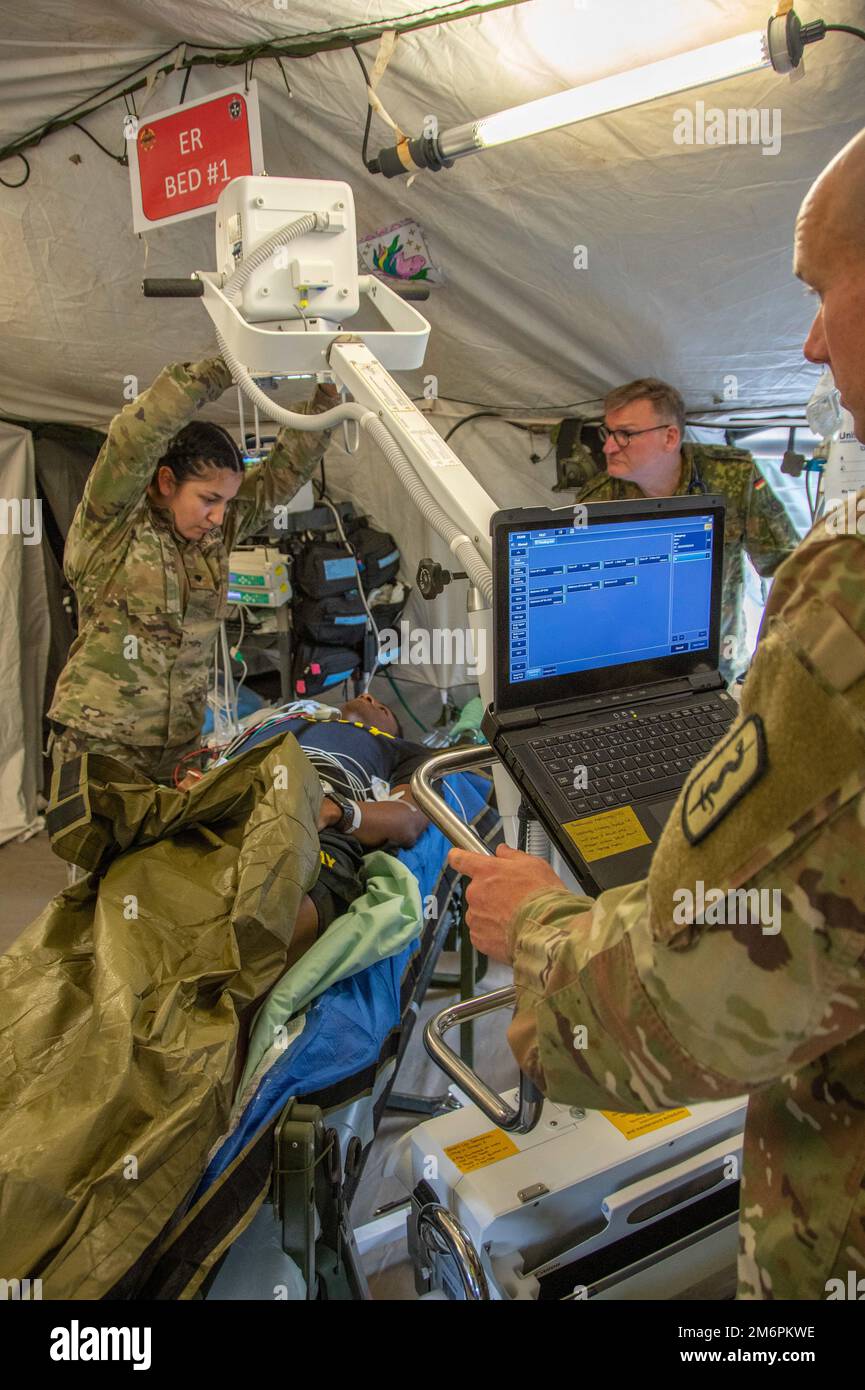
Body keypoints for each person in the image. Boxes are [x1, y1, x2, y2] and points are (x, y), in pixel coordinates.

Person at [449, 127, 865, 1301]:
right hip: (654, 712)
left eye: (824, 290)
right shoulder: (587, 515)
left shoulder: (828, 573)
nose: (809, 340)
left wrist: (535, 930)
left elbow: (698, 1001)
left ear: (671, 439)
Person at [47, 357, 336, 786]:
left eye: (226, 503)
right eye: (208, 499)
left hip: (180, 748)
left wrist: (328, 397)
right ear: (166, 481)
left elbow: (282, 474)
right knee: (104, 855)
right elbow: (135, 437)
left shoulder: (212, 537)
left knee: (171, 855)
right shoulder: (112, 527)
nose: (219, 517)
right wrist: (227, 366)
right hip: (102, 744)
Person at [568, 378, 800, 684]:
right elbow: (580, 600)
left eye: (624, 434)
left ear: (670, 437)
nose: (608, 447)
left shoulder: (733, 477)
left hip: (714, 671)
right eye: (607, 432)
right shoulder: (596, 501)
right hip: (627, 674)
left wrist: (773, 651)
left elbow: (789, 569)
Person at [218, 690, 432, 968]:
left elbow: (409, 819)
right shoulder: (276, 723)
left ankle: (220, 988)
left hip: (313, 821)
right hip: (229, 801)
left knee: (265, 922)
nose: (367, 696)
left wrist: (337, 810)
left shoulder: (401, 750)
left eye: (382, 706)